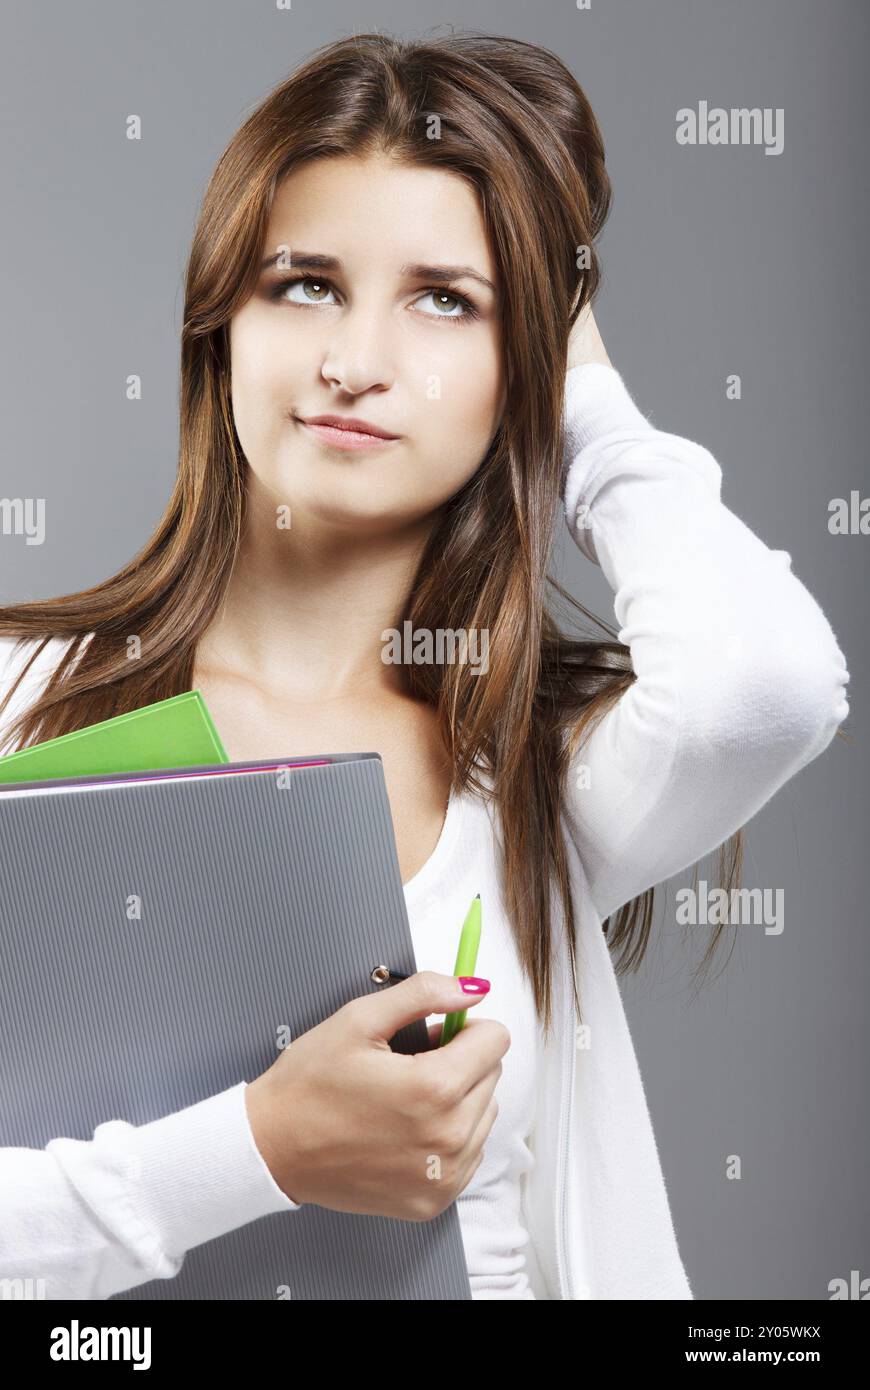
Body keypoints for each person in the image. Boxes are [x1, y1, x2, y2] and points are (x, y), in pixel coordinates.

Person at [0, 32, 850, 1300]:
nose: (355, 360)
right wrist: (262, 1150)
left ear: (530, 366)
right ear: (219, 320)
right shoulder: (25, 691)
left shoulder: (539, 770)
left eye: (447, 299)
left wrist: (593, 410)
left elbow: (766, 684)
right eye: (304, 283)